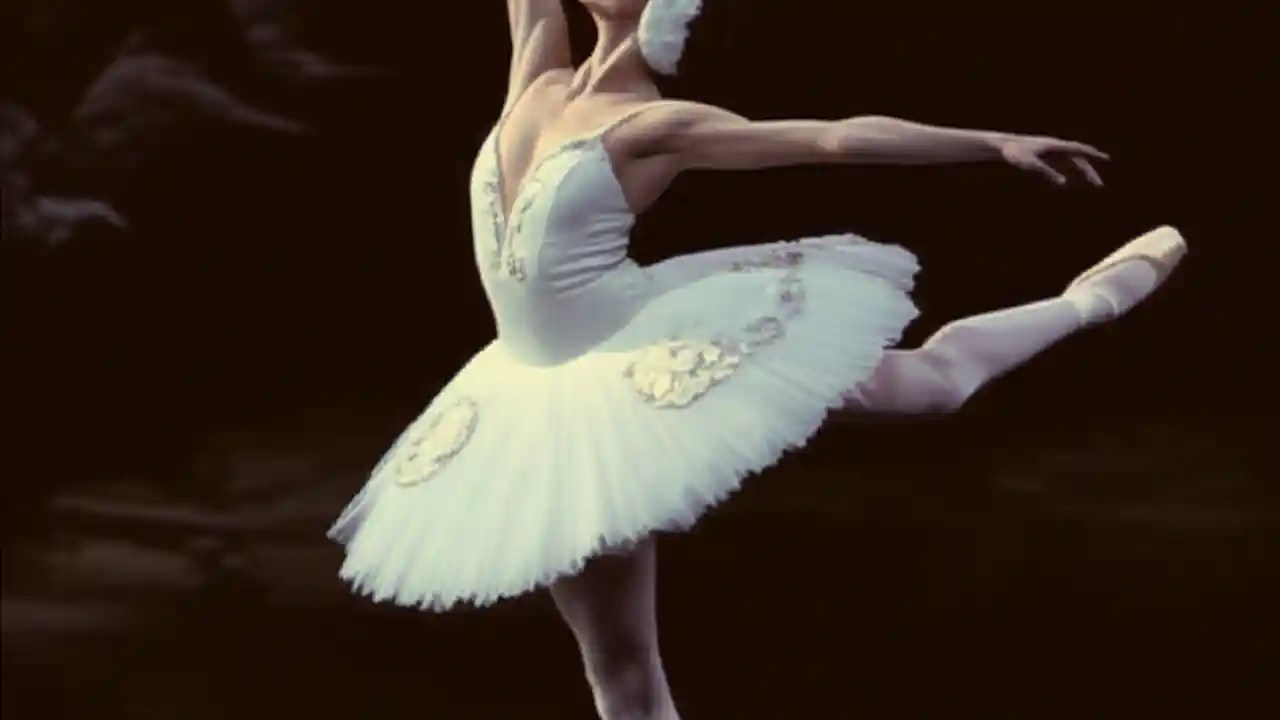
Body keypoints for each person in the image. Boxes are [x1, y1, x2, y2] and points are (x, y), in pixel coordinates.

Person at [328, 1, 1188, 717]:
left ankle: (1092, 300)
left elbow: (835, 140)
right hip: (534, 394)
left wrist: (989, 141)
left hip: (642, 357)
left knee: (930, 385)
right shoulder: (537, 69)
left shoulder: (652, 125)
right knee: (621, 674)